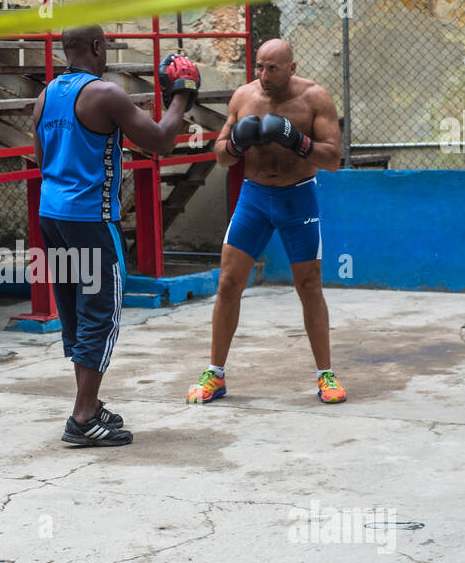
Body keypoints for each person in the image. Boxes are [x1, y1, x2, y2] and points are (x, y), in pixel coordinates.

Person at [31, 24, 198, 446]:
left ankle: (89, 402)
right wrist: (182, 93)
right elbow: (161, 141)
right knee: (101, 314)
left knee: (76, 311)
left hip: (52, 216)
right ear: (98, 47)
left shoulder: (45, 96)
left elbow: (41, 158)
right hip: (90, 220)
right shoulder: (104, 94)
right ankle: (83, 416)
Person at [186, 38, 347, 406]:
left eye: (272, 68)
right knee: (228, 281)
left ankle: (326, 375)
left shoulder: (315, 98)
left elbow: (333, 158)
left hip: (298, 197)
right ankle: (216, 373)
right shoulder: (244, 97)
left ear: (291, 68)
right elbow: (221, 157)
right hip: (254, 198)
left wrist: (298, 142)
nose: (263, 75)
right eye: (259, 67)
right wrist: (236, 146)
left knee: (308, 284)